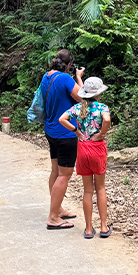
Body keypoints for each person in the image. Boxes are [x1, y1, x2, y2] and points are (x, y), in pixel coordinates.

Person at [58, 76, 111, 239]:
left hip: (83, 149)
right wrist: (102, 133)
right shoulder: (102, 107)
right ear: (98, 93)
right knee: (100, 188)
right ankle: (103, 226)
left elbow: (62, 119)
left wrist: (77, 132)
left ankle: (88, 229)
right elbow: (107, 120)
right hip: (97, 148)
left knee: (87, 190)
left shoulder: (78, 108)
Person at [42, 49, 84, 230]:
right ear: (68, 65)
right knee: (64, 175)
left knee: (55, 171)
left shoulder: (47, 76)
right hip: (65, 132)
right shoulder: (65, 78)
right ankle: (53, 217)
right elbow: (84, 98)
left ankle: (57, 208)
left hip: (51, 129)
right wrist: (79, 77)